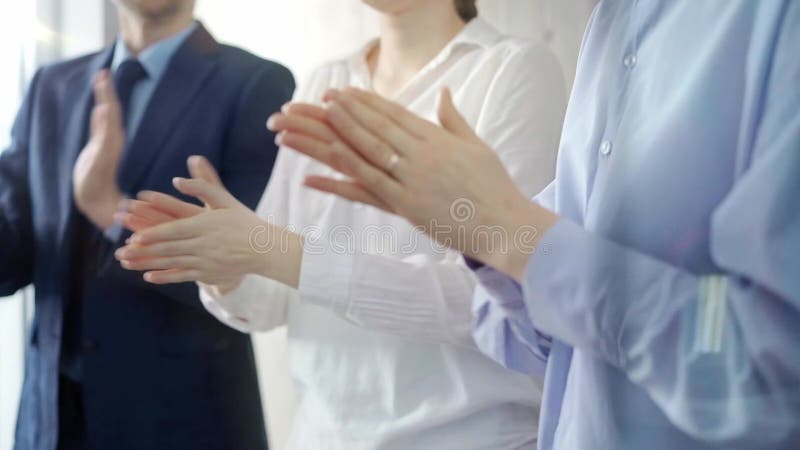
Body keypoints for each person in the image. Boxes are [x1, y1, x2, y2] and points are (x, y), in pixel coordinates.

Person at [256, 1, 800, 449]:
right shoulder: (611, 23)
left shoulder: (774, 24)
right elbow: (532, 332)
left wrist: (503, 232)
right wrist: (492, 237)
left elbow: (771, 368)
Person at [113, 0, 567, 447]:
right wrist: (226, 269)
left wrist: (279, 252)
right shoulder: (326, 81)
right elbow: (270, 301)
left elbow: (504, 307)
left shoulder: (513, 70)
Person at [0, 0, 294, 448]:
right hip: (51, 424)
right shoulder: (51, 86)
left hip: (182, 423)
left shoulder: (257, 84)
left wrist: (108, 206)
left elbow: (255, 275)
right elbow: (10, 261)